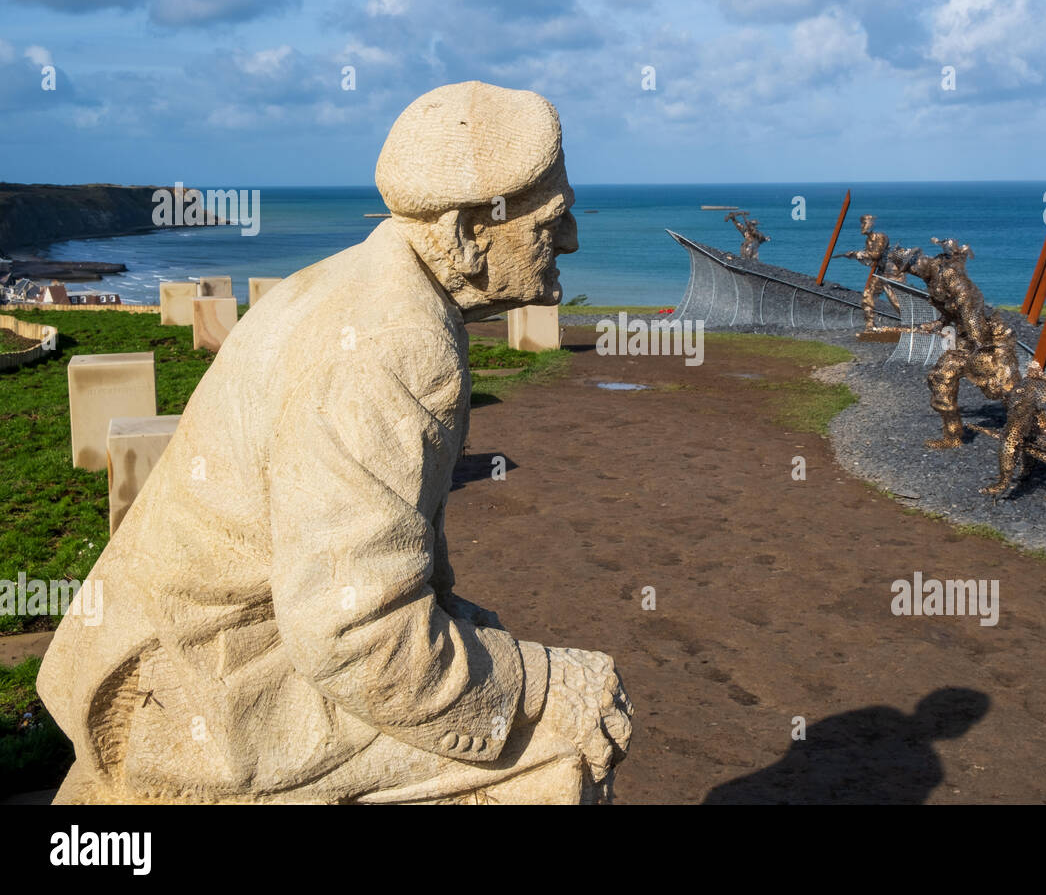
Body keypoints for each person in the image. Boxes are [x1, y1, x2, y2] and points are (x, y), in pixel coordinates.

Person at [37, 82, 633, 804]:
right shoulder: (399, 347)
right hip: (209, 686)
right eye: (552, 221)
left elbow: (383, 563)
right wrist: (541, 683)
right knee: (571, 738)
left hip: (196, 642)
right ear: (470, 232)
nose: (569, 240)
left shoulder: (359, 281)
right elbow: (355, 633)